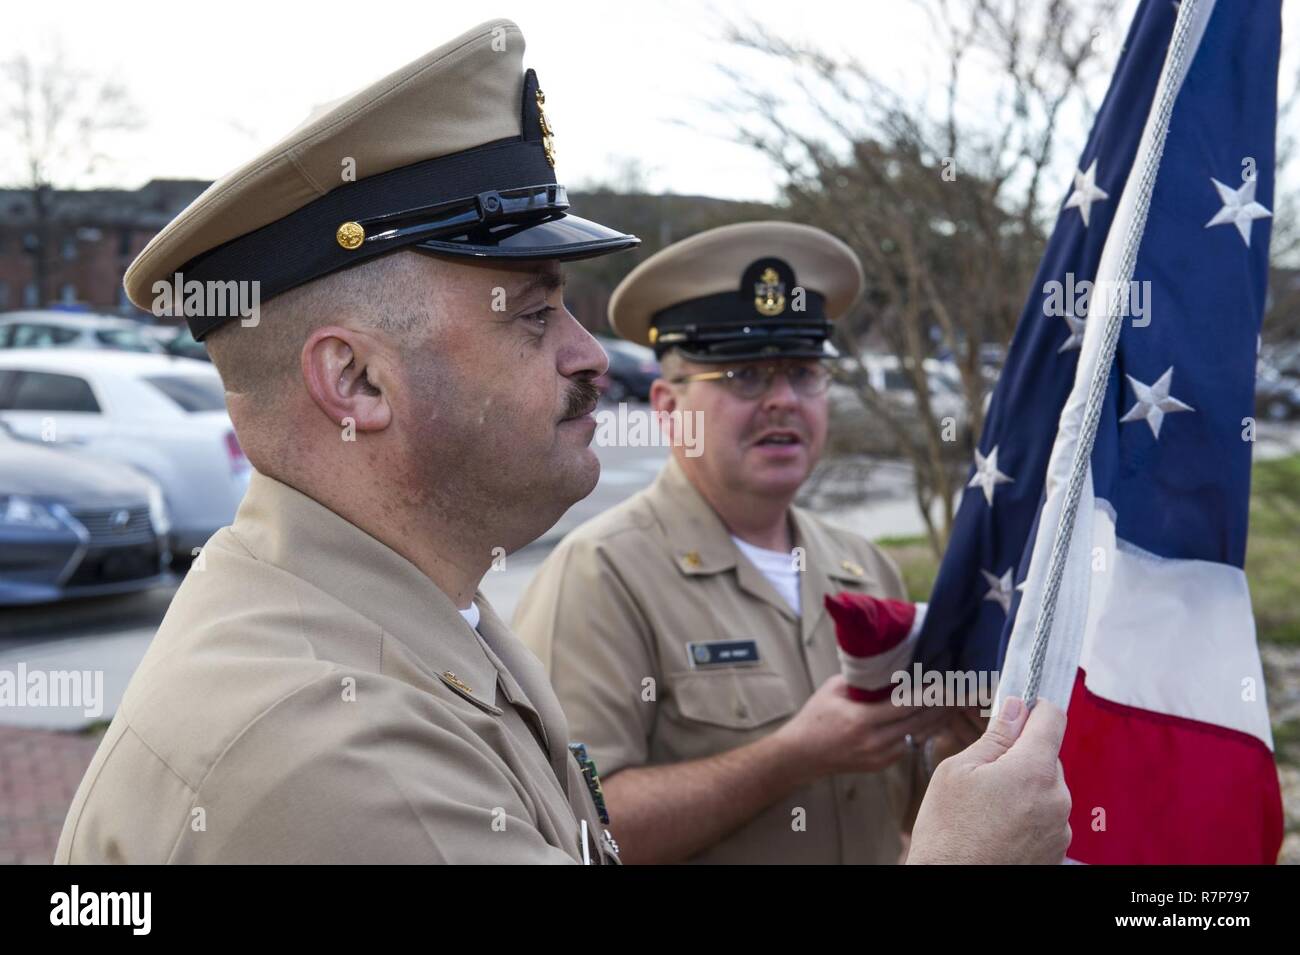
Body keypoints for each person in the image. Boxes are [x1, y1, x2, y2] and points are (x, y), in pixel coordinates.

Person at [55, 20, 1070, 866]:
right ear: (356, 380)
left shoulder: (423, 622)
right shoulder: (324, 748)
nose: (593, 356)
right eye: (531, 315)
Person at [514, 222, 965, 863]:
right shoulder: (601, 572)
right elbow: (579, 831)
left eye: (804, 373)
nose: (783, 401)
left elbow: (909, 808)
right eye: (746, 375)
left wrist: (951, 744)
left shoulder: (865, 568)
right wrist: (789, 759)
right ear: (668, 406)